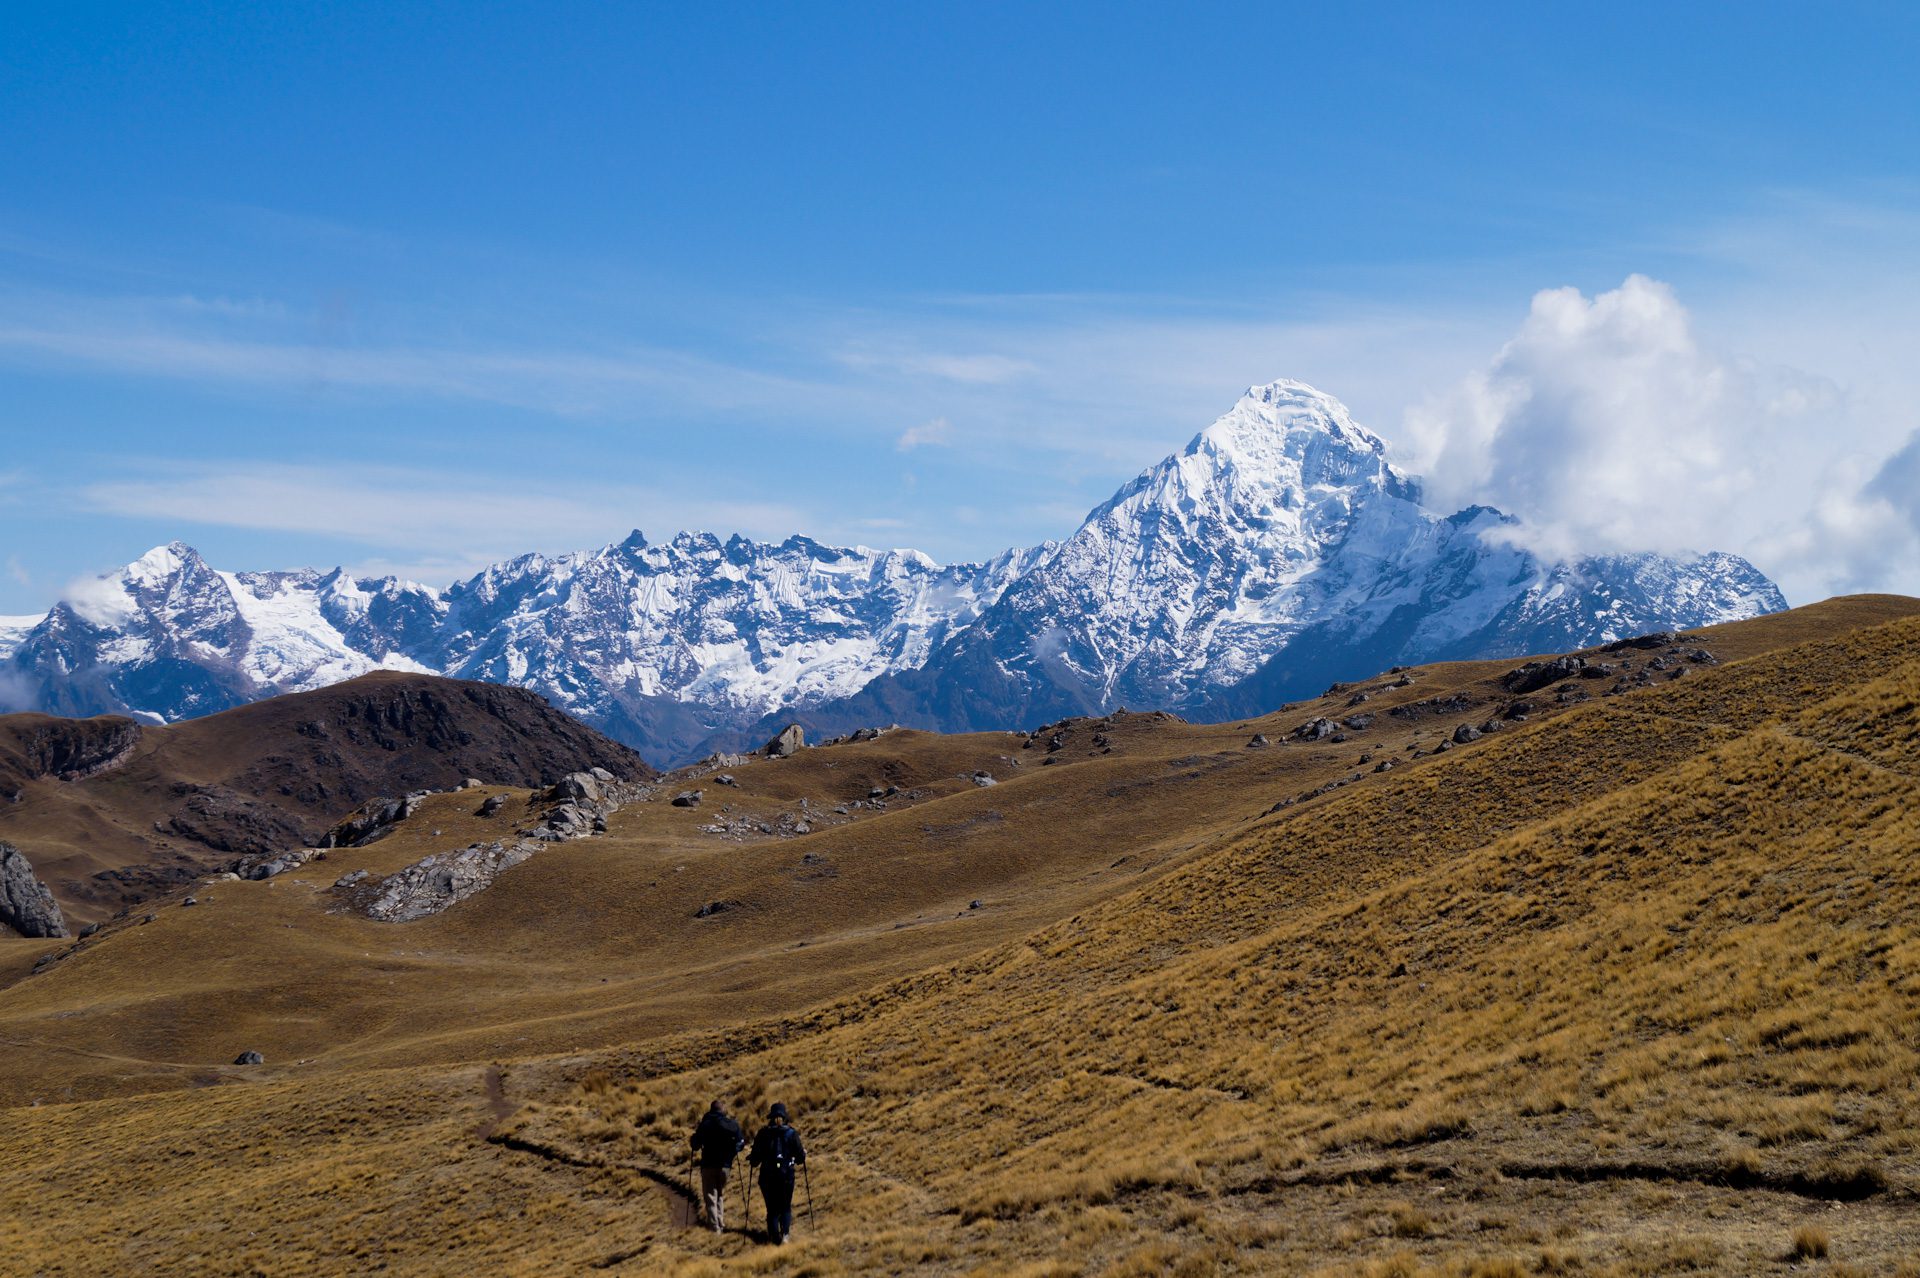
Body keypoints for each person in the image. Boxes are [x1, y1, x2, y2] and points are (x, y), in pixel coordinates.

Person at [748, 1101, 806, 1244]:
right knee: (785, 1206)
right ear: (784, 1117)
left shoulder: (763, 1133)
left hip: (767, 1177)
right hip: (786, 1176)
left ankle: (774, 1237)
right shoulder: (791, 1133)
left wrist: (752, 1159)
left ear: (771, 1117)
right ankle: (785, 1234)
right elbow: (800, 1157)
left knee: (772, 1208)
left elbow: (755, 1160)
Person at [688, 1099, 745, 1233]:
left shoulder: (705, 1124)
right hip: (725, 1166)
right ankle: (720, 1222)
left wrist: (693, 1140)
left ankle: (715, 1228)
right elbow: (741, 1142)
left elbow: (695, 1145)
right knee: (719, 1193)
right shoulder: (732, 1124)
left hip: (708, 1165)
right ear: (722, 1110)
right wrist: (732, 1152)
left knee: (710, 1196)